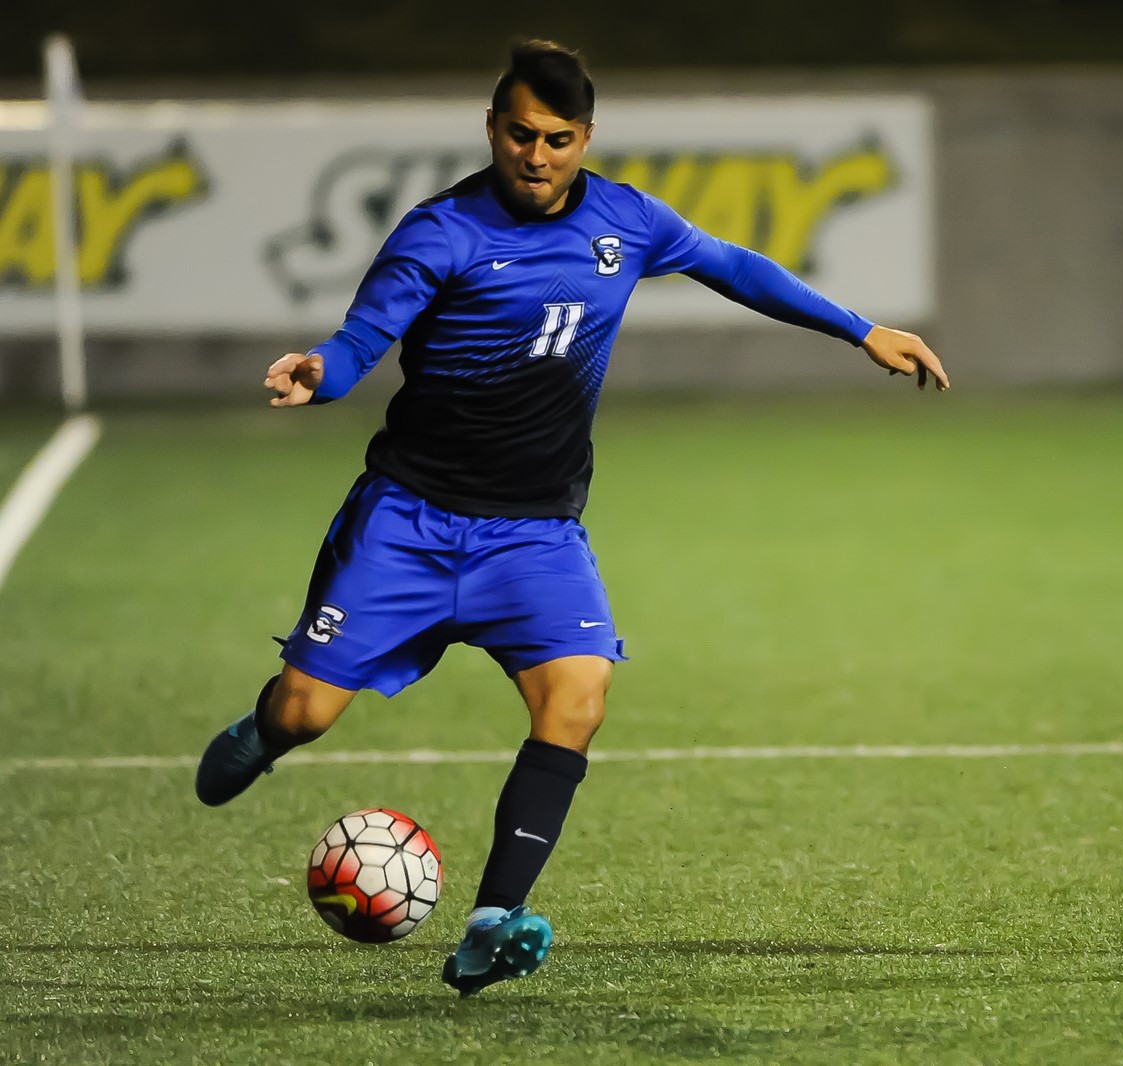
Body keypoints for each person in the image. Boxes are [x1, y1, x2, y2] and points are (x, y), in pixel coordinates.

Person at [194, 39, 949, 996]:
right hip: (409, 523)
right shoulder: (441, 232)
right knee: (308, 708)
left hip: (535, 534)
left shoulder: (628, 221)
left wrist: (861, 329)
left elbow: (732, 264)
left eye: (557, 138)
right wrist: (320, 375)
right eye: (519, 134)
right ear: (491, 129)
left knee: (579, 696)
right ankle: (266, 733)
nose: (536, 155)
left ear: (585, 139)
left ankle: (489, 923)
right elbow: (359, 340)